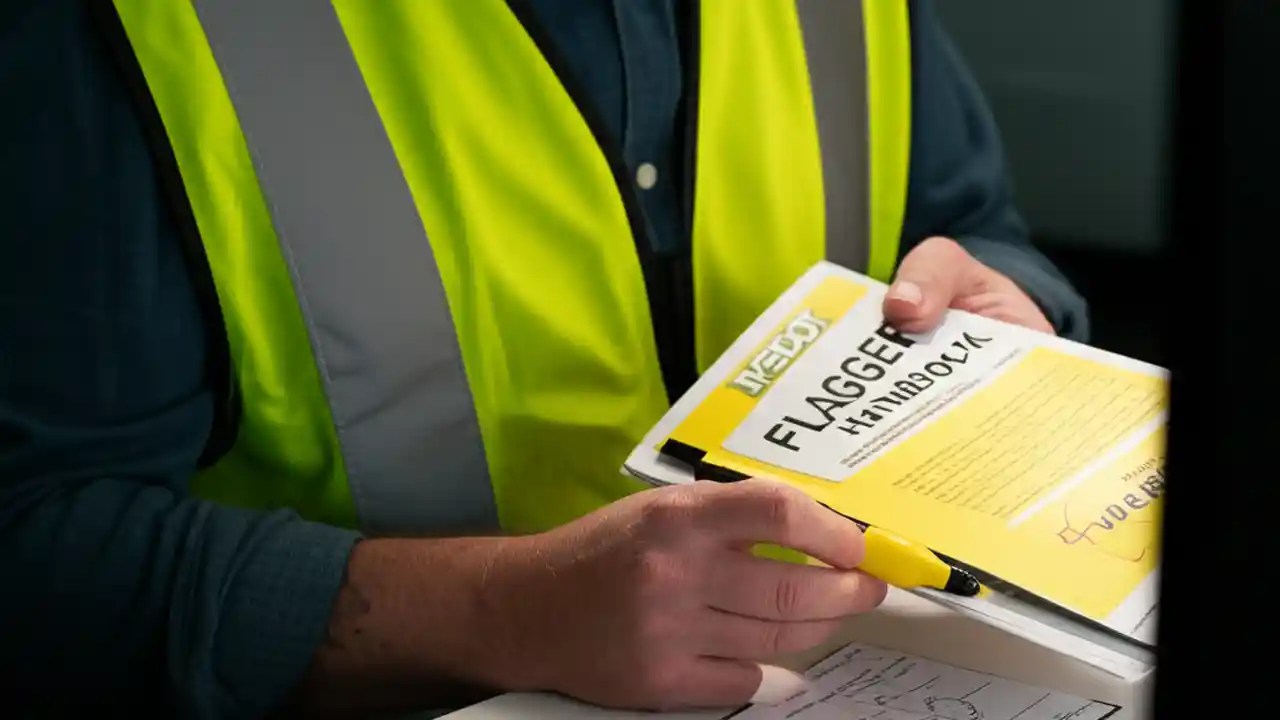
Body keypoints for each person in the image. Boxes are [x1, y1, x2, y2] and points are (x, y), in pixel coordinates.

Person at [0, 0, 1087, 717]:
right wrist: (499, 612)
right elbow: (33, 548)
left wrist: (1003, 306)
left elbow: (963, 223)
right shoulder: (107, 35)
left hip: (877, 667)